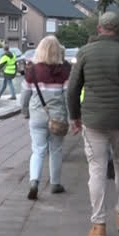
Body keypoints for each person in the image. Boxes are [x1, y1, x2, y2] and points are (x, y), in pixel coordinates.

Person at [68, 12, 119, 236]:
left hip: (93, 122)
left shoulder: (85, 52)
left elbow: (73, 88)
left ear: (100, 28)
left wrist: (74, 115)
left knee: (96, 169)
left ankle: (99, 224)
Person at [21, 36, 72, 200]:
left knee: (38, 150)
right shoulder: (64, 71)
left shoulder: (32, 71)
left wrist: (25, 112)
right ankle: (55, 184)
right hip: (57, 117)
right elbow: (67, 97)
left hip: (37, 116)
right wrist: (71, 117)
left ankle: (34, 181)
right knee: (56, 150)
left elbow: (25, 96)